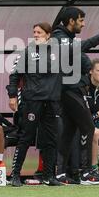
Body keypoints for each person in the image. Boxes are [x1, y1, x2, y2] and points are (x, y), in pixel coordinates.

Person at [54, 6, 99, 184]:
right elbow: (78, 48)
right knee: (89, 127)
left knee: (69, 132)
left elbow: (82, 58)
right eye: (81, 21)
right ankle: (87, 172)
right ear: (71, 21)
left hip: (74, 89)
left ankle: (62, 173)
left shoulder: (69, 39)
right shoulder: (58, 37)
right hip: (68, 91)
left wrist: (86, 76)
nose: (83, 24)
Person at [6, 22, 62, 186]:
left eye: (39, 32)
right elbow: (14, 76)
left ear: (48, 35)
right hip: (32, 101)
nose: (36, 35)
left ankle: (49, 176)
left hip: (51, 102)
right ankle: (15, 175)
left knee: (51, 140)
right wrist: (12, 96)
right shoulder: (26, 53)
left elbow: (81, 48)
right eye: (34, 32)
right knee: (26, 137)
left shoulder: (59, 53)